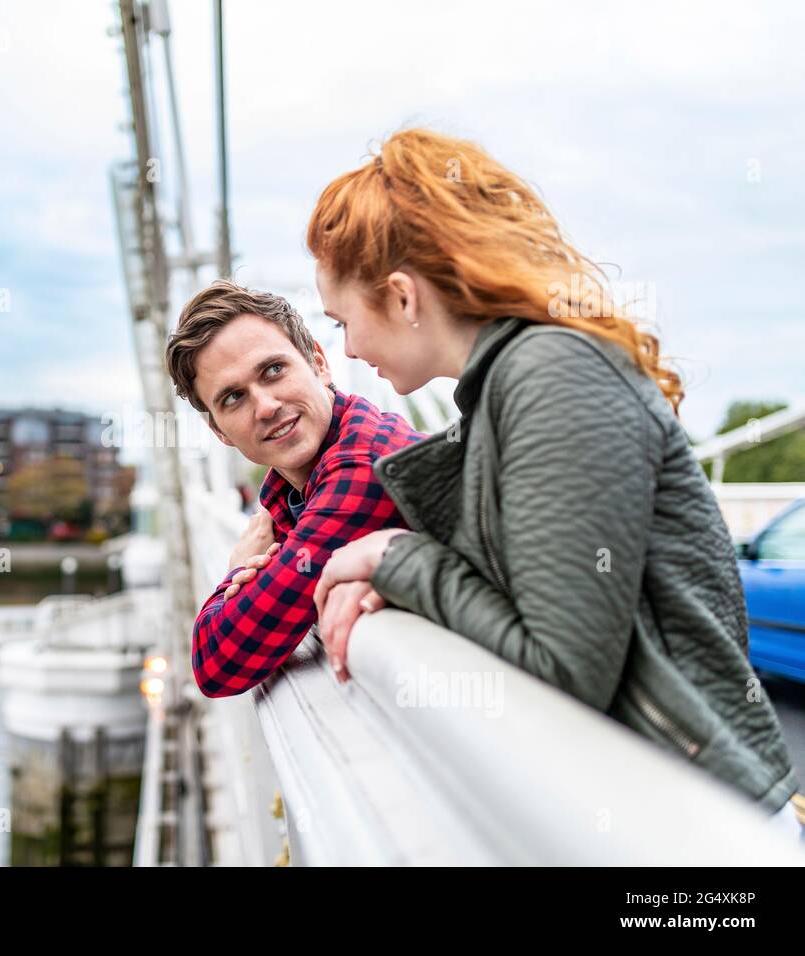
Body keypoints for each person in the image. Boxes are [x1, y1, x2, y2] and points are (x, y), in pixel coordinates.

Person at [305, 127, 800, 825]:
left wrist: (396, 559)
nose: (348, 347)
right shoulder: (513, 383)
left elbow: (565, 665)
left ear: (403, 297)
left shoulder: (554, 375)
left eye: (342, 320)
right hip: (654, 801)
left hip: (701, 828)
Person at [164, 279, 422, 698]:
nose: (265, 406)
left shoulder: (363, 464)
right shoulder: (287, 494)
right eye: (233, 398)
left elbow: (218, 665)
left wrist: (234, 575)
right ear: (219, 432)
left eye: (273, 370)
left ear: (319, 363)